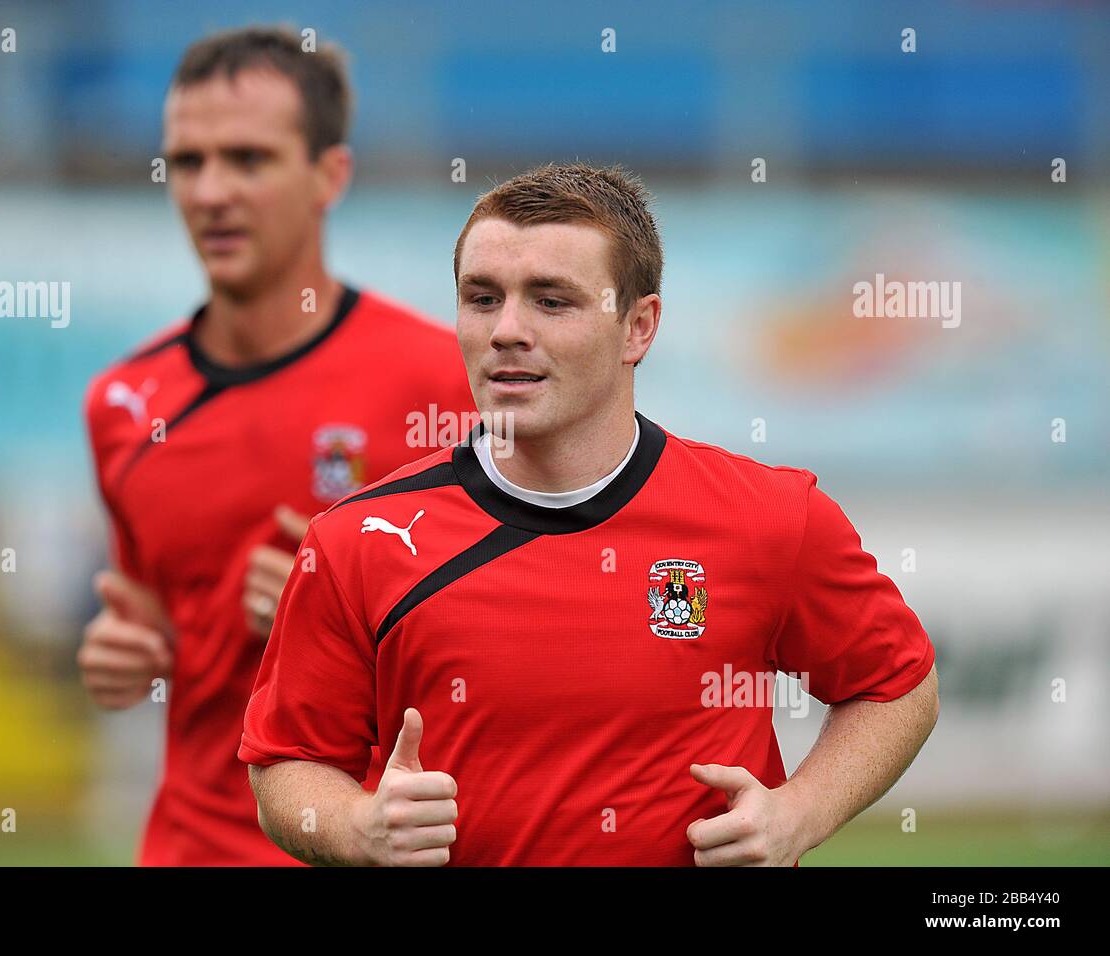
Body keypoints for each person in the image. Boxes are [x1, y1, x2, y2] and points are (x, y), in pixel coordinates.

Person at [240, 162, 939, 866]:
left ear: (638, 327)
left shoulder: (771, 517)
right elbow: (285, 766)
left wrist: (798, 813)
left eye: (551, 301)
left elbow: (898, 685)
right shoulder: (359, 539)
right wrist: (356, 828)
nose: (507, 329)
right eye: (483, 298)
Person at [79, 26, 473, 866]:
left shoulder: (446, 381)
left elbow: (524, 633)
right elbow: (157, 619)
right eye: (187, 162)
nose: (211, 192)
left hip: (383, 847)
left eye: (249, 159)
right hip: (193, 847)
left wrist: (347, 610)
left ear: (330, 174)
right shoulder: (122, 405)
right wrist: (125, 657)